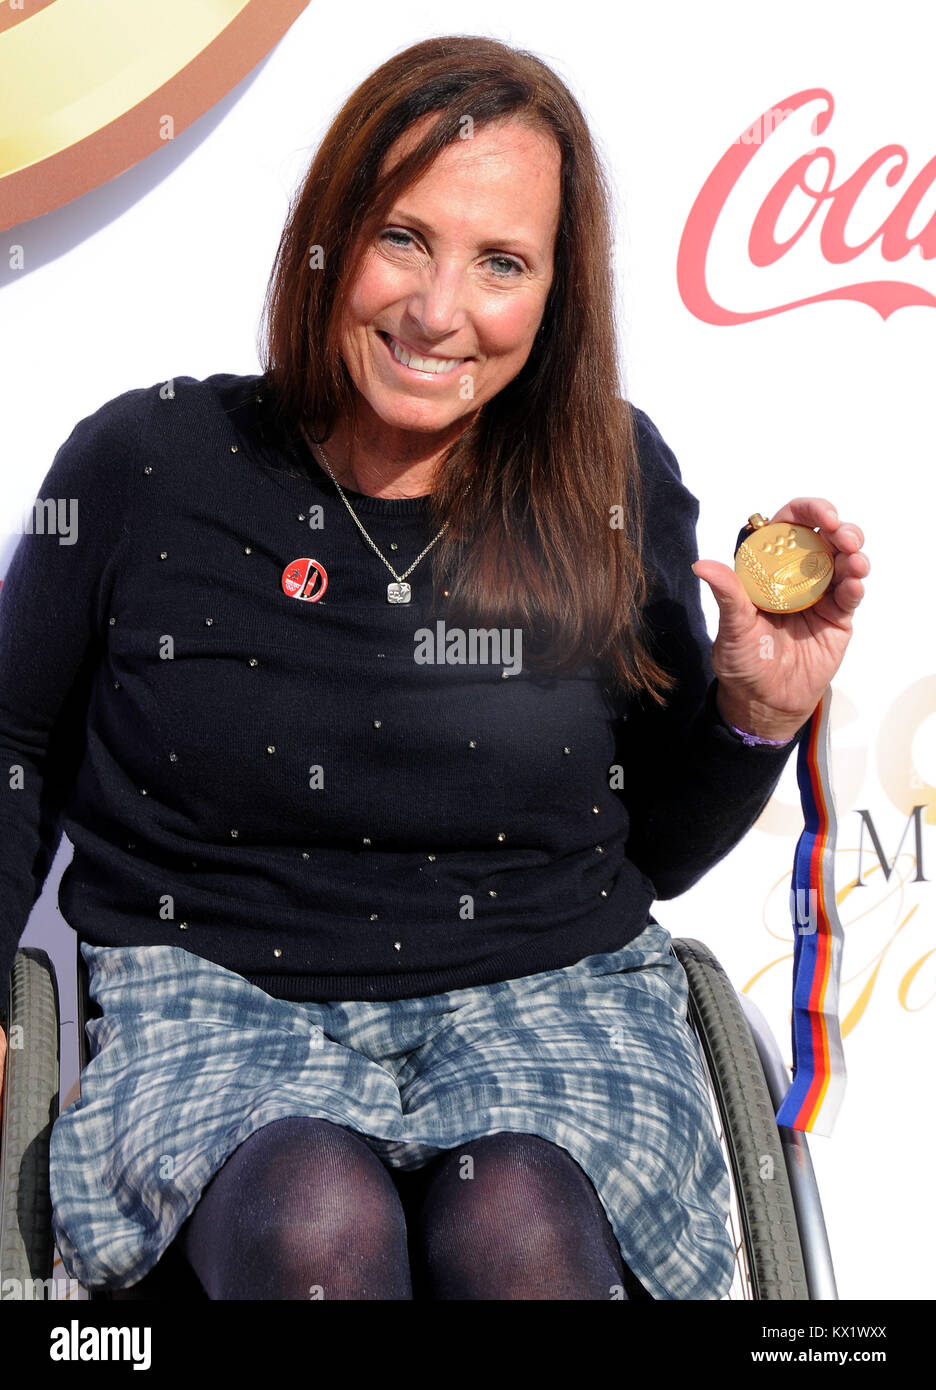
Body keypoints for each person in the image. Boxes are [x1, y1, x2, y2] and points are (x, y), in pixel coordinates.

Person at [0, 34, 868, 1301]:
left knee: (518, 1225)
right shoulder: (147, 460)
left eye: (501, 262)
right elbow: (14, 743)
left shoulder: (611, 477)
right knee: (316, 1218)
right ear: (327, 237)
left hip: (552, 1001)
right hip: (219, 1001)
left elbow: (658, 848)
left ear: (558, 291)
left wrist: (755, 716)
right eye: (403, 239)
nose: (438, 311)